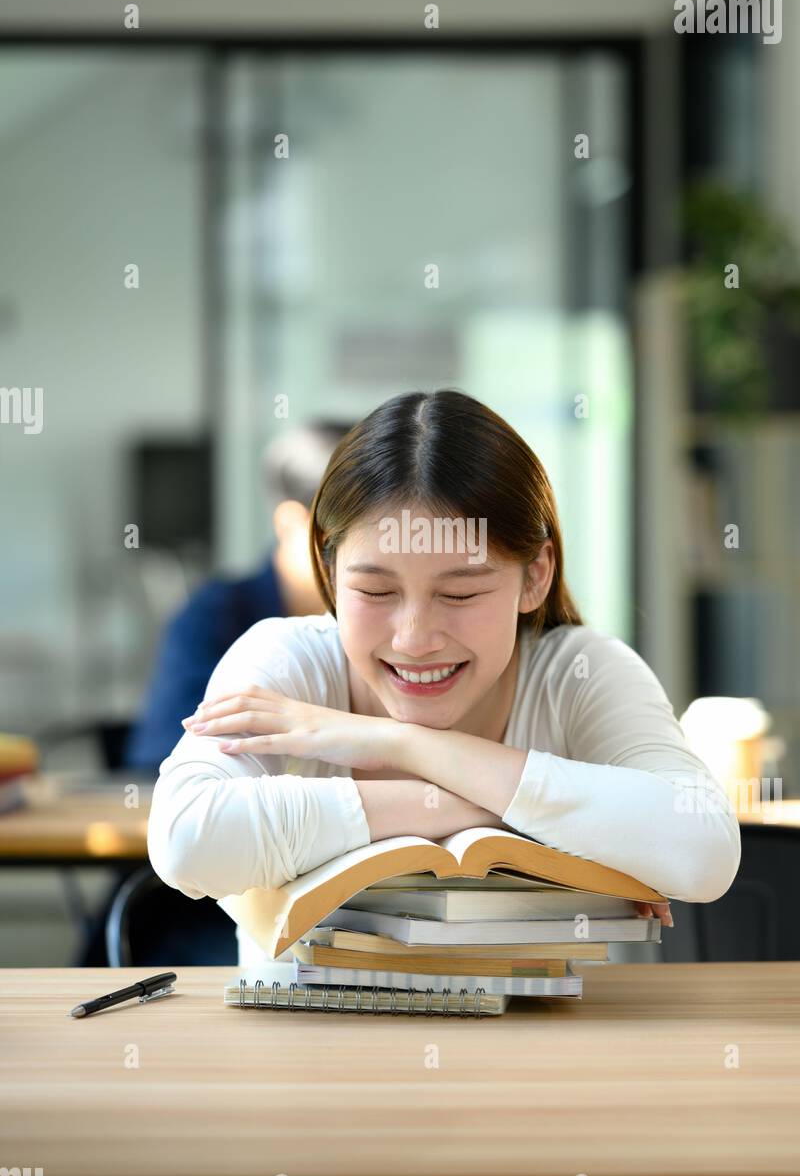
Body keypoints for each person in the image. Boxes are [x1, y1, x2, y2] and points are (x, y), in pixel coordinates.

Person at [147, 389, 741, 966]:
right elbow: (184, 840)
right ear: (328, 568)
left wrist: (401, 742)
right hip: (307, 1050)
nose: (414, 637)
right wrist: (501, 814)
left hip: (546, 1055)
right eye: (376, 590)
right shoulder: (287, 659)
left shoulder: (580, 672)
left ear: (534, 576)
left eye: (459, 592)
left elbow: (705, 848)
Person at [124, 422, 352, 773]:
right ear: (292, 524)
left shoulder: (371, 622)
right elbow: (171, 760)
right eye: (346, 529)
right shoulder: (213, 617)